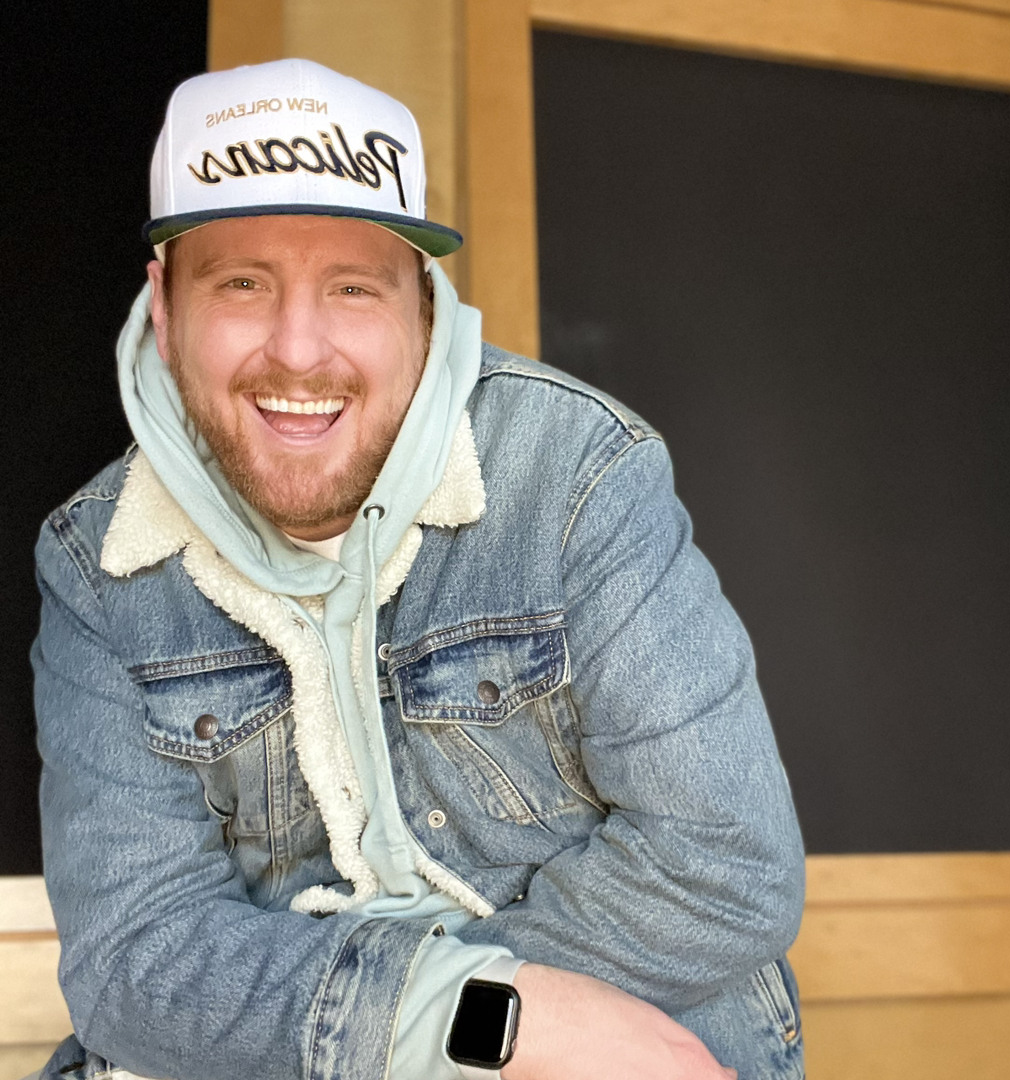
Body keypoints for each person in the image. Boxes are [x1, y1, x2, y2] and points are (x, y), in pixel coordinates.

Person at [33, 58, 805, 1080]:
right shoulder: (96, 563)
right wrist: (481, 1018)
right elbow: (134, 958)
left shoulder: (576, 473)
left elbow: (725, 866)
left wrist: (346, 1021)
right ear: (166, 311)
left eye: (353, 288)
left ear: (426, 310)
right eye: (241, 284)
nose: (297, 351)